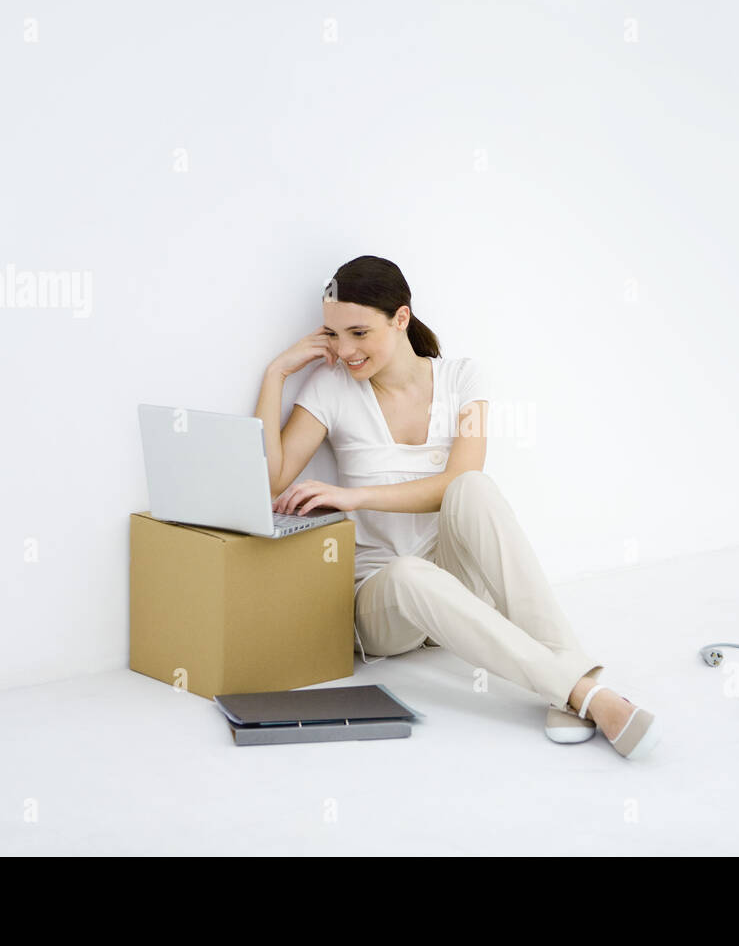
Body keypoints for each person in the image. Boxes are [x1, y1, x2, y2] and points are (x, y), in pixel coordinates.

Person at [254, 255, 660, 760]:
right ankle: (586, 692)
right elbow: (268, 479)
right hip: (385, 603)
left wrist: (354, 496)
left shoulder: (462, 379)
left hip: (454, 578)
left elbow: (454, 483)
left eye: (359, 333)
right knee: (406, 572)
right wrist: (276, 374)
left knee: (473, 486)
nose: (346, 351)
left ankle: (568, 683)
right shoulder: (331, 389)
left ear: (400, 318)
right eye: (333, 335)